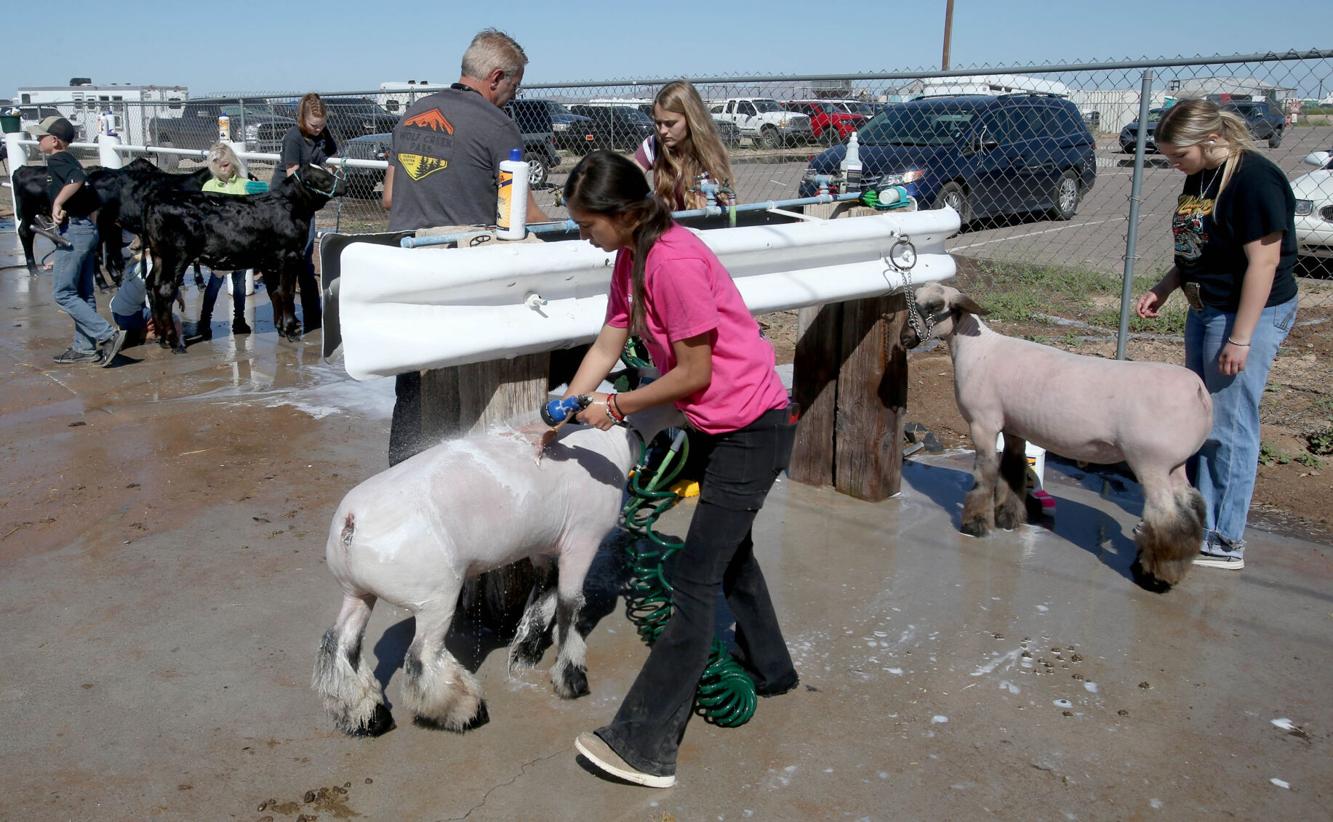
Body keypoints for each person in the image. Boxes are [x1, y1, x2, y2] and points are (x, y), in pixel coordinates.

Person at [561, 151, 797, 788]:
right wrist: (567, 404)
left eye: (589, 226)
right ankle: (772, 669)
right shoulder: (632, 258)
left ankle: (644, 745)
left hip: (753, 429)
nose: (587, 238)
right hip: (719, 426)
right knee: (733, 555)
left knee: (695, 579)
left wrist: (615, 405)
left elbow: (692, 373)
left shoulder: (676, 262)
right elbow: (612, 337)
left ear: (627, 213)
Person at [1135, 98, 1299, 571]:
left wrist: (1242, 338)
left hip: (1249, 312)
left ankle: (1226, 537)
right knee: (1200, 420)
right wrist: (1166, 287)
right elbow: (1200, 248)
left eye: (1176, 156)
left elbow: (1264, 263)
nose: (1172, 165)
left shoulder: (1255, 181)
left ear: (1209, 139)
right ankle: (1196, 521)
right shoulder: (1201, 173)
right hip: (1207, 308)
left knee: (1228, 425)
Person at [382, 27, 549, 466]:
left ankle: (400, 475)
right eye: (514, 85)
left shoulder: (413, 114)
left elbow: (387, 198)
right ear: (496, 77)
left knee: (413, 389)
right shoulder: (498, 125)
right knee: (470, 389)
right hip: (464, 276)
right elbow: (525, 213)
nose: (514, 95)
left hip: (408, 270)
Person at [26, 116, 125, 367]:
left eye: (41, 136)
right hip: (85, 229)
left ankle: (107, 335)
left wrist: (58, 204)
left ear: (55, 140)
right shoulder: (70, 158)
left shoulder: (59, 160)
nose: (38, 140)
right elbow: (92, 198)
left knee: (62, 293)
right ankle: (84, 347)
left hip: (74, 232)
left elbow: (76, 179)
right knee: (83, 292)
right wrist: (86, 224)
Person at [273, 92, 336, 333]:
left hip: (306, 204)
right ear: (302, 119)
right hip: (286, 205)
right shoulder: (294, 138)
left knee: (305, 259)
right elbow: (293, 176)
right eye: (313, 125)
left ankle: (312, 316)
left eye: (322, 125)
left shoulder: (321, 136)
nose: (318, 129)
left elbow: (329, 153)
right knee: (291, 259)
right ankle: (285, 314)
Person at [631, 80, 734, 210]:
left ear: (691, 120)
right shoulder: (653, 146)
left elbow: (709, 208)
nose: (662, 130)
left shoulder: (709, 151)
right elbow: (628, 181)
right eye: (658, 123)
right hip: (670, 226)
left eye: (670, 123)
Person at [197, 143, 253, 337]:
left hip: (241, 245)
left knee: (239, 284)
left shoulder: (244, 184)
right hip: (220, 246)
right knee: (215, 282)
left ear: (233, 163)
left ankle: (239, 320)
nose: (224, 169)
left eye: (227, 164)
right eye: (219, 165)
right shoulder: (208, 187)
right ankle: (205, 320)